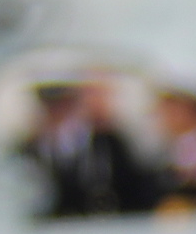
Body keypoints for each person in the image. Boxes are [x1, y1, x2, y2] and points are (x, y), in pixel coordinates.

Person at [24, 75, 156, 220]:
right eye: (51, 105)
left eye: (64, 104)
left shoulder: (106, 143)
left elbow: (132, 189)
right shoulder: (32, 147)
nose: (58, 111)